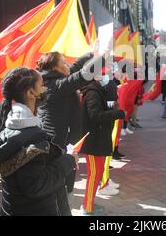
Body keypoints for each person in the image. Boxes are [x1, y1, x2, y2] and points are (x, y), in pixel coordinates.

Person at [0, 67, 78, 216]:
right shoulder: (32, 137)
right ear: (30, 92)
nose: (45, 89)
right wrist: (68, 160)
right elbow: (37, 186)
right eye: (41, 85)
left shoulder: (7, 128)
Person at [36, 43, 104, 213]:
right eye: (64, 62)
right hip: (58, 144)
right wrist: (102, 56)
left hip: (63, 142)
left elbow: (74, 68)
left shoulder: (54, 79)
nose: (68, 65)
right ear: (55, 68)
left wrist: (90, 54)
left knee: (65, 182)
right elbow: (82, 75)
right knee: (62, 185)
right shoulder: (55, 85)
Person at [79, 78, 126, 216]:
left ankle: (90, 203)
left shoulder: (98, 91)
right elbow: (95, 116)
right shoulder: (93, 93)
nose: (108, 77)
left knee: (98, 173)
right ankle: (87, 207)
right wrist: (118, 113)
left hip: (98, 140)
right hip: (93, 142)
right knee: (94, 175)